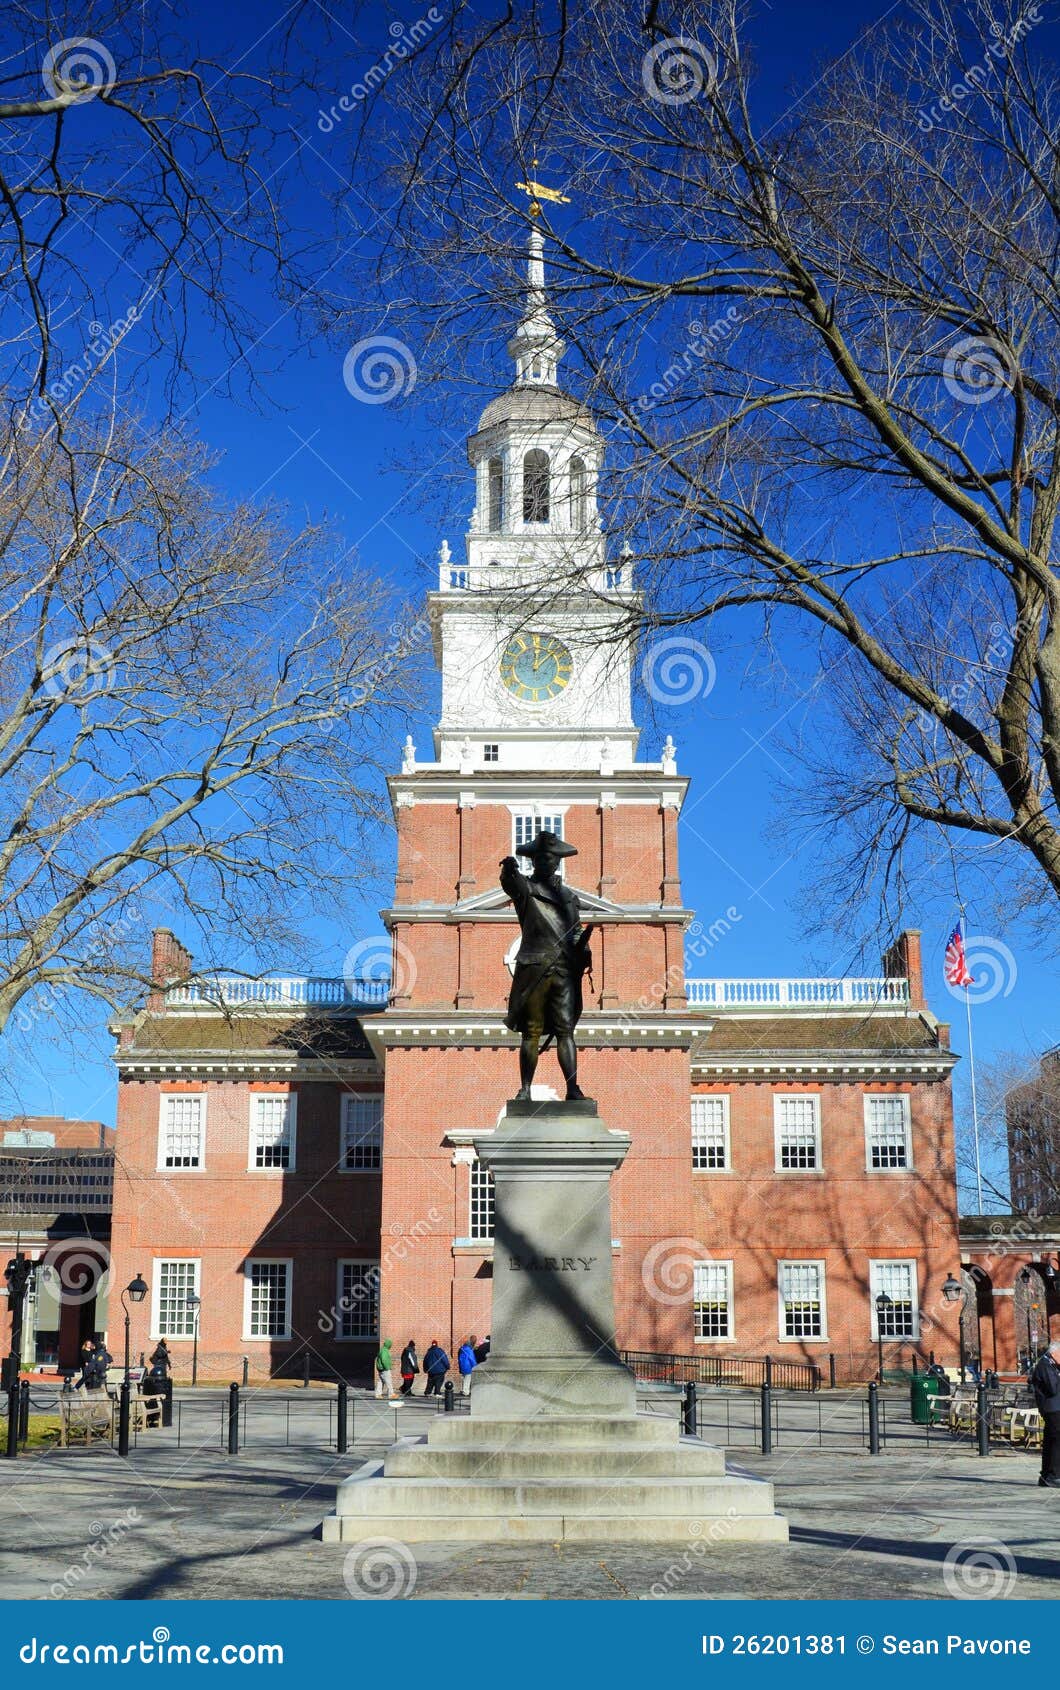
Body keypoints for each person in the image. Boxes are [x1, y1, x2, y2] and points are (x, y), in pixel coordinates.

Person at [500, 831, 593, 1101]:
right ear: (533, 861)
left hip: (563, 969)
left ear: (557, 861)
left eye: (550, 857)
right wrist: (509, 871)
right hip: (535, 968)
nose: (545, 862)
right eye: (540, 857)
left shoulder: (569, 897)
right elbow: (512, 885)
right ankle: (525, 1089)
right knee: (532, 1032)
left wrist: (583, 950)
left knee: (566, 1031)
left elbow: (575, 931)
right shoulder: (526, 888)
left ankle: (573, 1089)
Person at [1029, 1338, 1060, 1488]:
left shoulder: (1051, 1365)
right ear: (1054, 1353)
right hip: (1052, 1408)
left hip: (1054, 1407)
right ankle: (1054, 1475)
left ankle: (1046, 1475)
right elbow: (1053, 1388)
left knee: (1050, 1441)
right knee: (1056, 1442)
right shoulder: (1045, 1365)